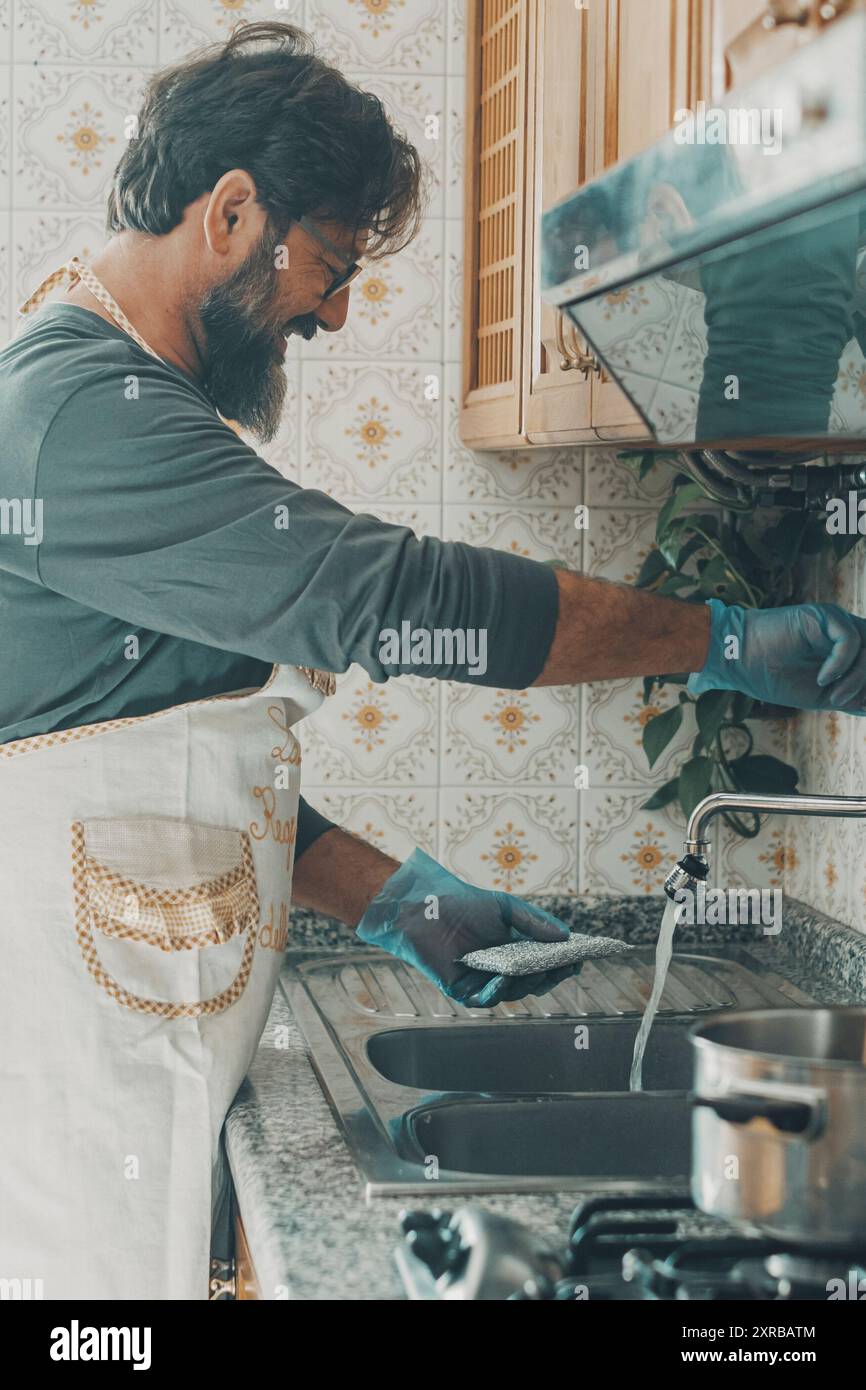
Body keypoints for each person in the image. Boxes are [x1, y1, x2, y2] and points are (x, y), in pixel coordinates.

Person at [2, 19, 865, 1300]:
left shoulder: (121, 389)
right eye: (332, 266)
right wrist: (719, 641)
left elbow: (156, 762)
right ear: (232, 212)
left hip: (141, 1037)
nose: (338, 312)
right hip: (82, 1082)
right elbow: (391, 595)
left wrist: (391, 899)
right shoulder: (80, 412)